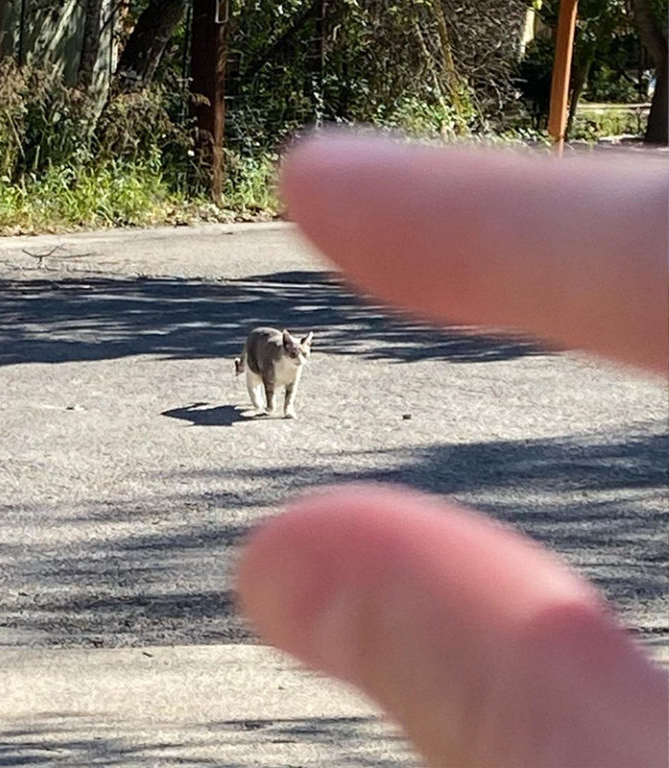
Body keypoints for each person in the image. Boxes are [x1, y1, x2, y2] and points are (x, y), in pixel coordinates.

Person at [236, 133, 668, 768]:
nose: (299, 355)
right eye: (297, 350)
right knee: (265, 387)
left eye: (303, 350)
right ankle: (267, 400)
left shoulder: (301, 351)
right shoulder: (271, 349)